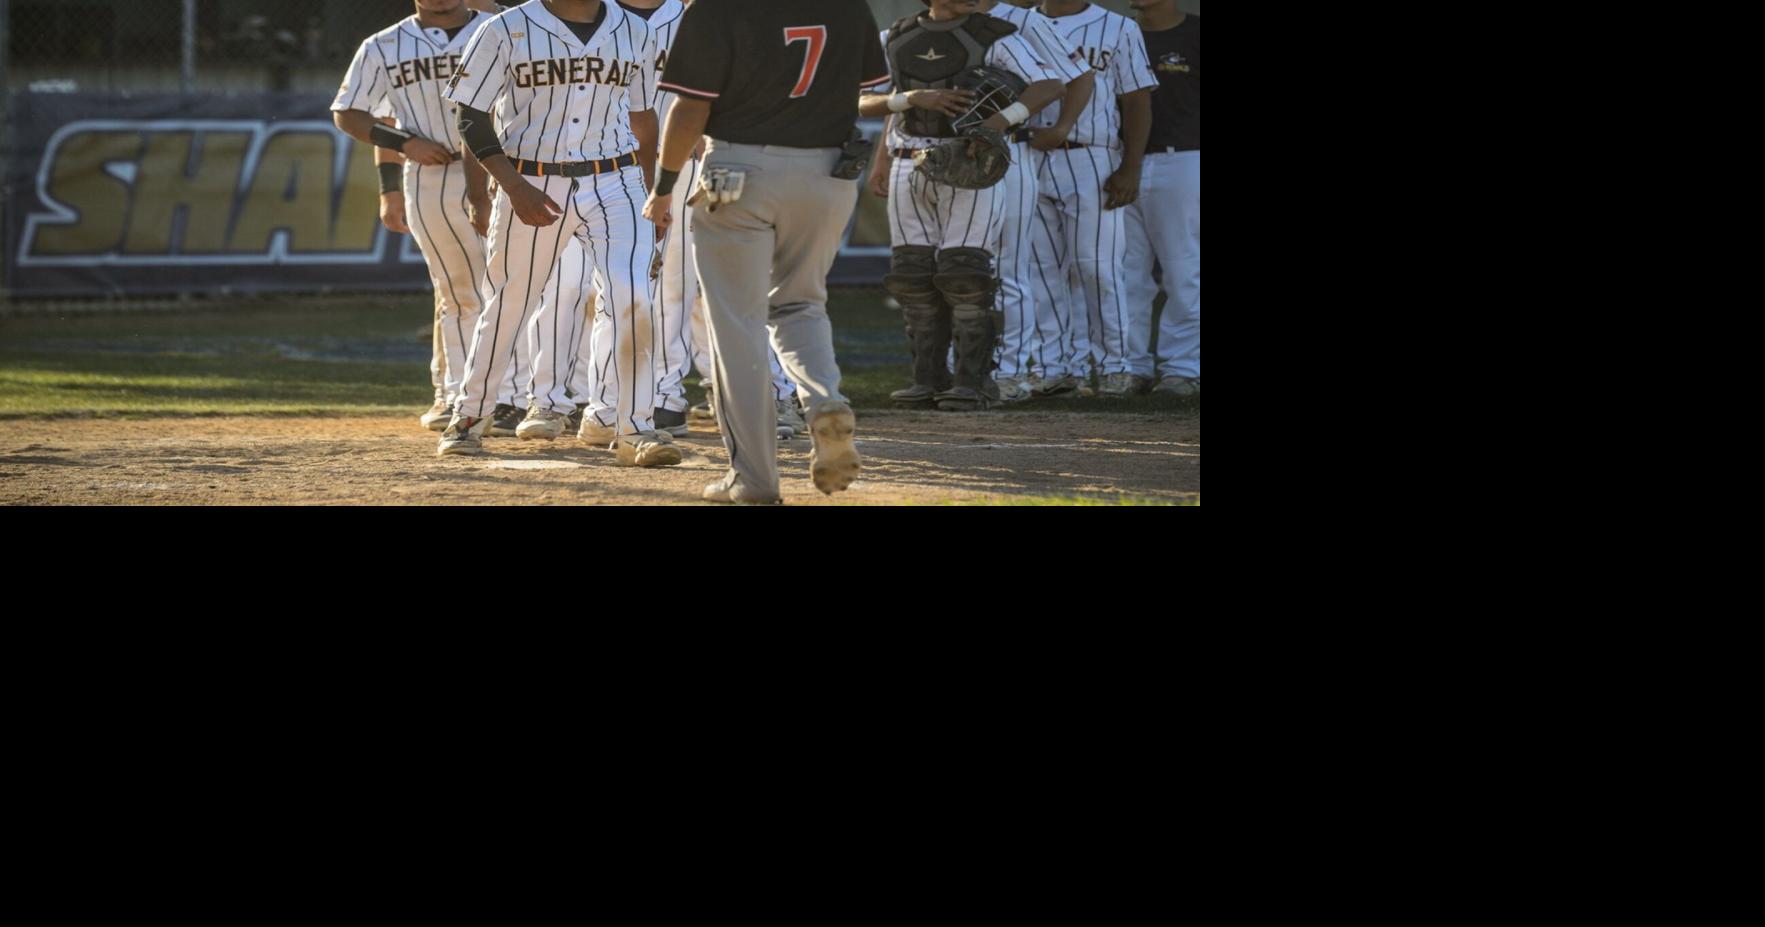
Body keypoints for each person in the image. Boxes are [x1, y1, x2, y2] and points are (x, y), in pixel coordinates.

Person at [642, 0, 890, 502]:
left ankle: (753, 479)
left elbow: (690, 108)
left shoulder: (715, 8)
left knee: (736, 327)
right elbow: (864, 92)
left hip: (740, 170)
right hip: (829, 176)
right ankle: (824, 400)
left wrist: (664, 186)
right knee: (800, 302)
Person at [436, 0, 680, 467]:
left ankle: (636, 428)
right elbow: (470, 114)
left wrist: (656, 193)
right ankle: (468, 416)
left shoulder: (633, 29)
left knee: (633, 298)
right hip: (531, 178)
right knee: (510, 301)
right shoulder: (507, 27)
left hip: (618, 180)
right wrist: (508, 187)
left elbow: (642, 118)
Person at [863, 0, 1066, 411]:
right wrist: (910, 100)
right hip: (908, 159)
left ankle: (974, 382)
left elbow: (1049, 85)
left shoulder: (993, 33)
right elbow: (862, 99)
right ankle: (927, 379)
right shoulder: (896, 37)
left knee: (965, 272)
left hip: (969, 158)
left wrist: (996, 122)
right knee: (912, 274)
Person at [332, 0, 498, 431]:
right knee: (458, 291)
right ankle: (457, 394)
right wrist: (404, 144)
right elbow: (349, 112)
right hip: (434, 174)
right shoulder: (385, 45)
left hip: (508, 171)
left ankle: (534, 397)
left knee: (526, 287)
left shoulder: (503, 28)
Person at [1025, 0, 1158, 398]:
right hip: (1029, 153)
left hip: (1092, 155)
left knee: (1097, 267)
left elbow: (1137, 100)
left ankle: (1116, 366)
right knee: (1042, 271)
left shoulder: (1117, 26)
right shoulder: (1018, 22)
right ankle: (1057, 368)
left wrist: (1130, 167)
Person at [1123, 0, 1199, 398]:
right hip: (1118, 164)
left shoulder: (1194, 33)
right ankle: (1131, 367)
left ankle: (1183, 368)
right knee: (1125, 274)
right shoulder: (1117, 32)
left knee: (1183, 269)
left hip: (1184, 159)